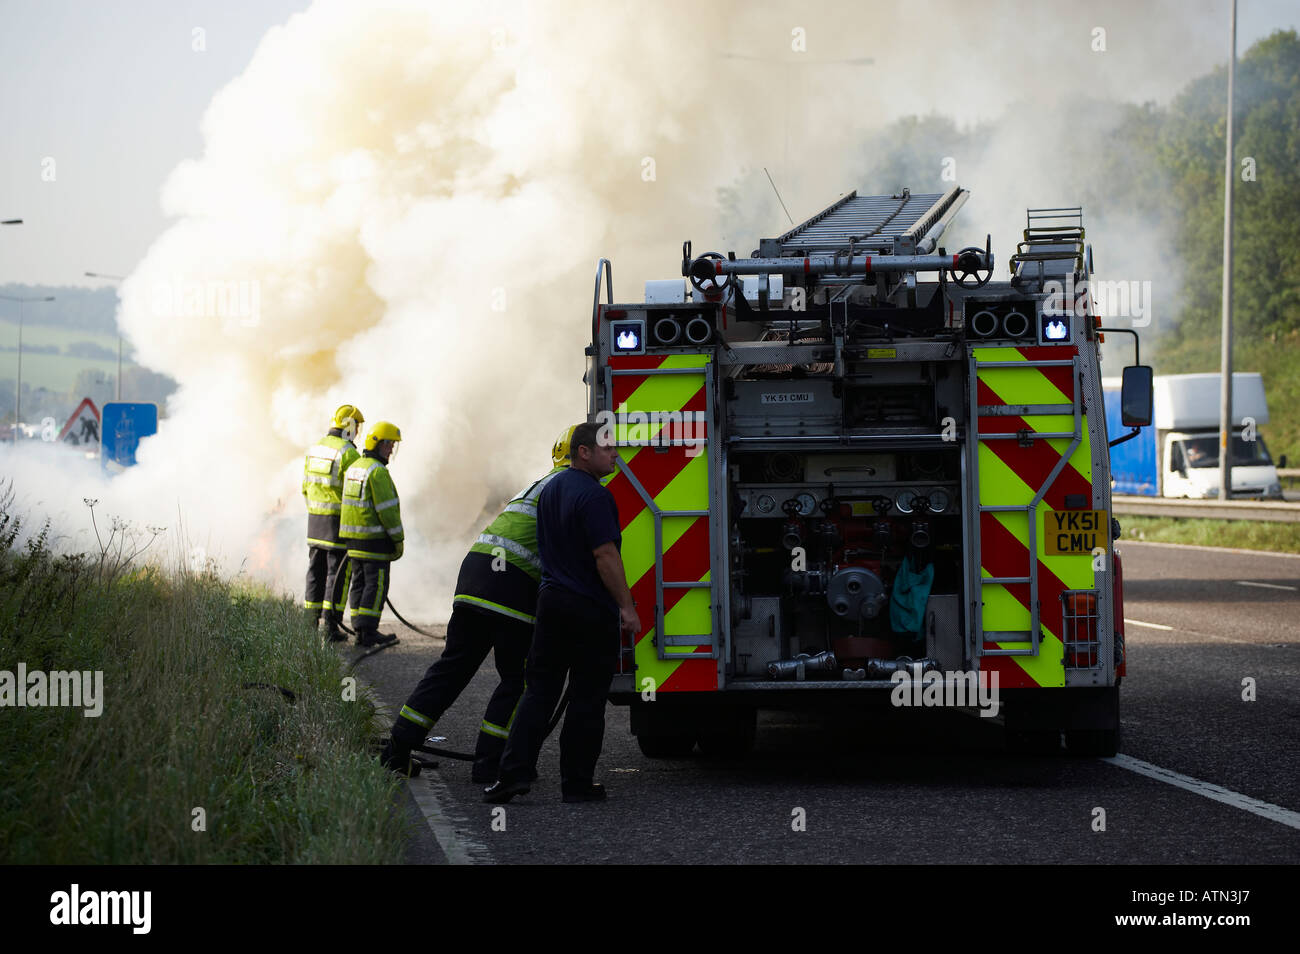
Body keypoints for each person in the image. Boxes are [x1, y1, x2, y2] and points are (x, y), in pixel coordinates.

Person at [379, 426, 580, 781]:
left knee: (452, 669)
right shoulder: (571, 487)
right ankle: (490, 764)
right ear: (581, 454)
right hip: (510, 585)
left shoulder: (536, 486)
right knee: (516, 678)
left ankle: (397, 748)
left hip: (473, 576)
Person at [484, 422, 639, 804]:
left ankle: (512, 775)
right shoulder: (596, 497)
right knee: (587, 698)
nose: (616, 455)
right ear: (584, 452)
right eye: (608, 449)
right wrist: (627, 607)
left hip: (551, 605)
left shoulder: (550, 490)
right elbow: (605, 556)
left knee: (538, 692)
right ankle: (577, 784)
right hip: (588, 608)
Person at [339, 420, 404, 648]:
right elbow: (388, 512)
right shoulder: (377, 473)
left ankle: (359, 628)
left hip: (353, 540)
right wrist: (398, 539)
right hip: (374, 541)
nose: (391, 450)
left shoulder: (355, 467)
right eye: (388, 445)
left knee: (359, 583)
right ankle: (368, 631)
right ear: (377, 444)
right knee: (375, 585)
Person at [302, 404, 364, 641]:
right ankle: (330, 625)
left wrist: (314, 510)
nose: (357, 431)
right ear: (349, 426)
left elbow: (305, 487)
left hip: (314, 520)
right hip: (337, 524)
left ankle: (309, 621)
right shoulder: (348, 453)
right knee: (336, 574)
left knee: (314, 571)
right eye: (356, 426)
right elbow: (353, 494)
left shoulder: (315, 448)